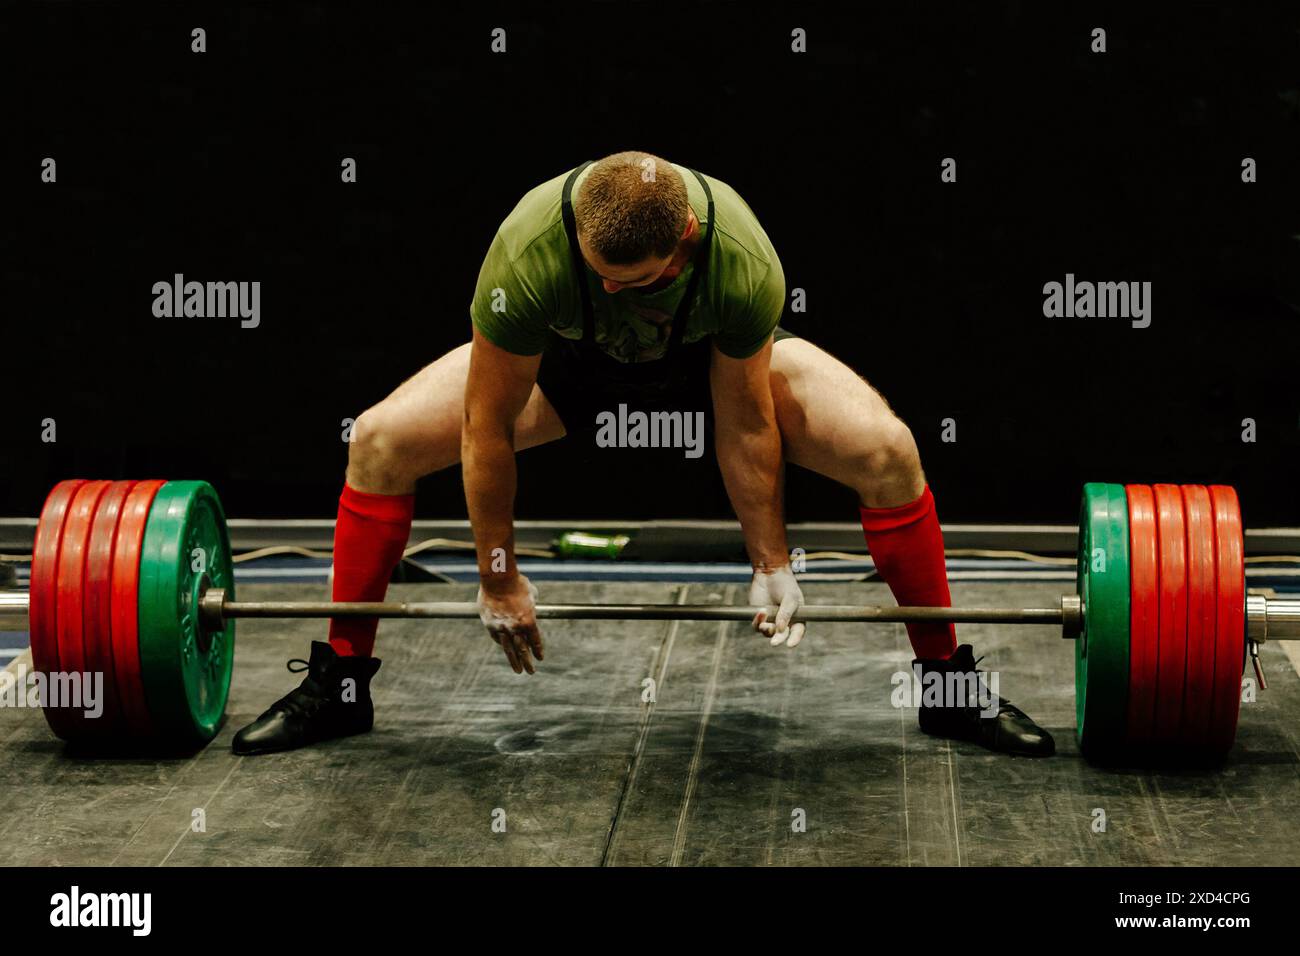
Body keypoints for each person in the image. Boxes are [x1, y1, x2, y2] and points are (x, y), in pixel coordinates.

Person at [232, 151, 1053, 758]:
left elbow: (744, 418)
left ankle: (945, 685)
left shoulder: (739, 259)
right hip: (571, 367)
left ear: (685, 241)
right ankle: (341, 684)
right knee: (376, 442)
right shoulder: (529, 253)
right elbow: (487, 426)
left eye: (634, 281)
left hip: (708, 363)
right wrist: (496, 573)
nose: (614, 289)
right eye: (601, 277)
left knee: (888, 451)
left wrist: (770, 560)